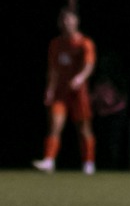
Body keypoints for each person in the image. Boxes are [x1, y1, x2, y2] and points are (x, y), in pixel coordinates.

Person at [36, 9, 97, 174]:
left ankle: (88, 162)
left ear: (76, 22)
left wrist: (80, 78)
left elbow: (89, 65)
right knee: (55, 125)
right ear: (60, 23)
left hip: (78, 92)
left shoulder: (85, 43)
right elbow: (53, 69)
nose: (67, 23)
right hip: (60, 92)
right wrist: (50, 89)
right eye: (64, 20)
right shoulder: (56, 44)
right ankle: (49, 160)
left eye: (70, 20)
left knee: (84, 128)